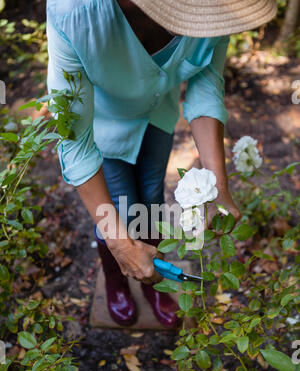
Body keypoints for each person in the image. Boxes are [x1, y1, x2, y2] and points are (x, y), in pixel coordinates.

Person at [46, 0, 277, 327]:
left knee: (151, 199)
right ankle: (118, 278)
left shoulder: (217, 8)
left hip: (158, 116)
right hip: (104, 126)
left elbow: (207, 86)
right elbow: (74, 141)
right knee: (121, 212)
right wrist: (120, 242)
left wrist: (218, 186)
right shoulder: (73, 14)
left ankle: (154, 282)